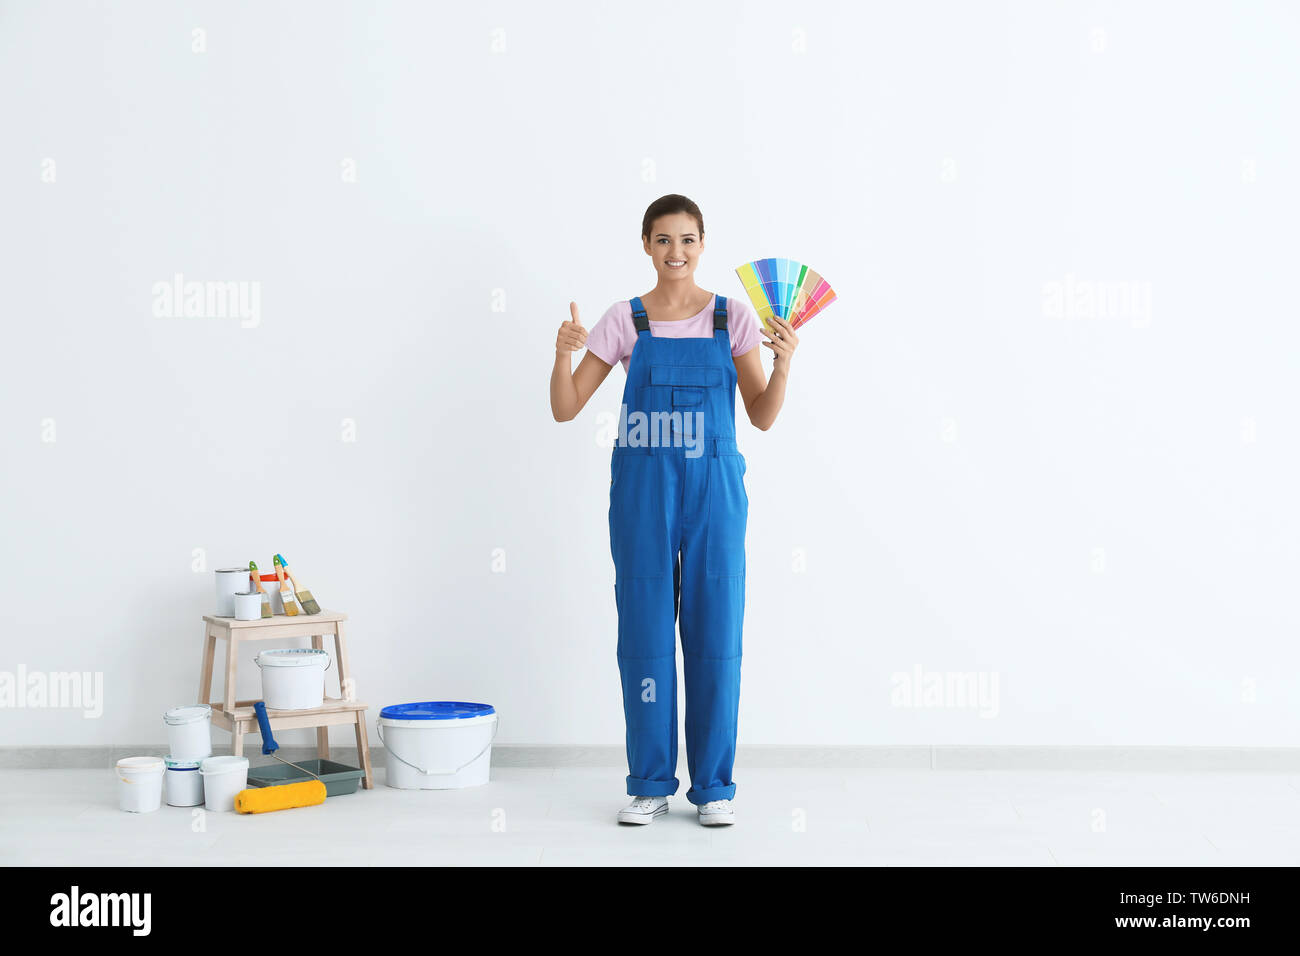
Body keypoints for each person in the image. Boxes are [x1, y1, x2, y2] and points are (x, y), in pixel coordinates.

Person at [550, 194, 797, 825]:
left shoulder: (731, 318)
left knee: (715, 638)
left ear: (703, 243)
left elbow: (762, 416)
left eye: (687, 240)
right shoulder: (623, 320)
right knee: (645, 638)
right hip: (643, 489)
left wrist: (783, 362)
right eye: (663, 240)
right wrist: (563, 354)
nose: (676, 253)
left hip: (714, 490)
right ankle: (649, 784)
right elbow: (566, 407)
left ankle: (713, 789)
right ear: (646, 245)